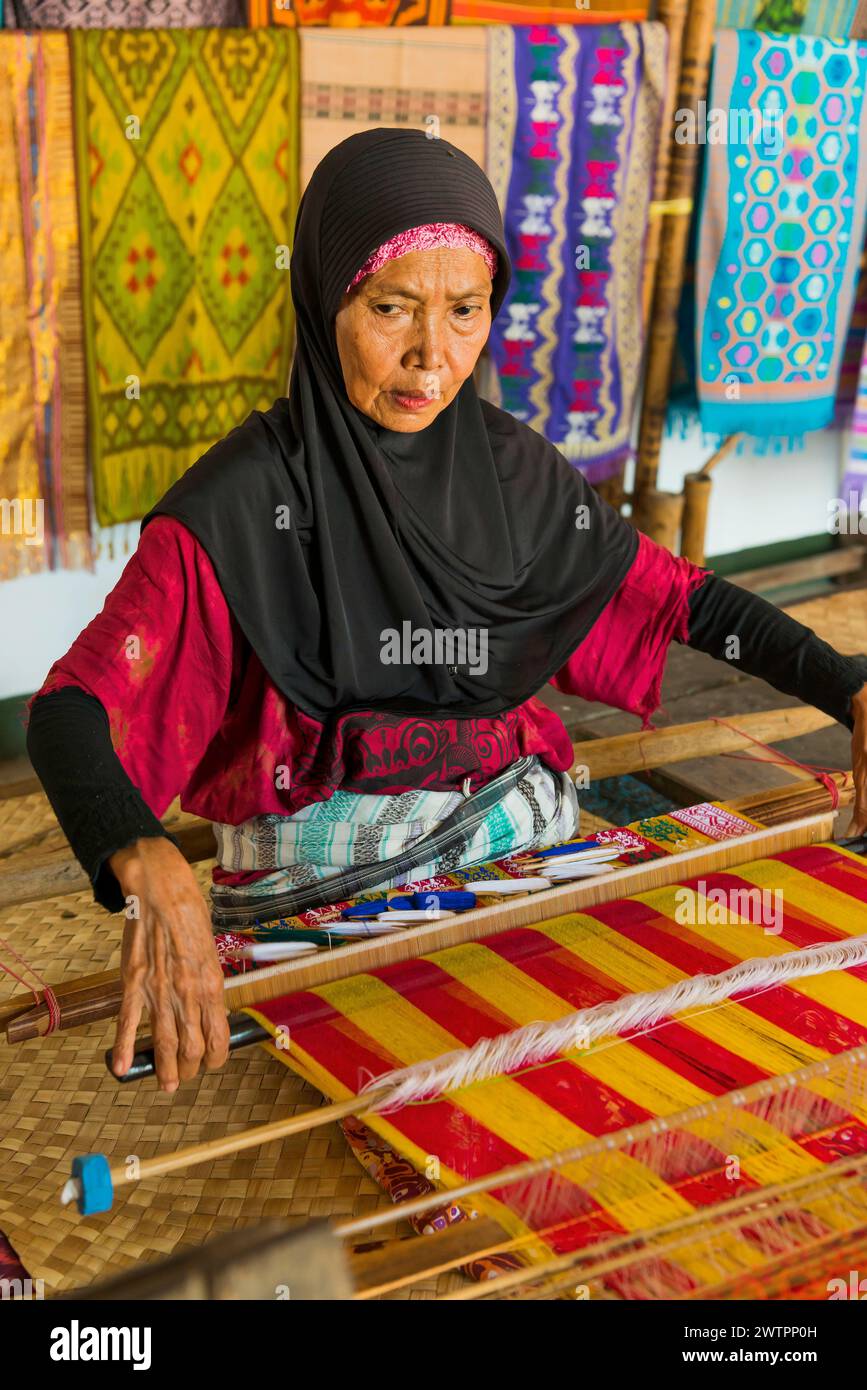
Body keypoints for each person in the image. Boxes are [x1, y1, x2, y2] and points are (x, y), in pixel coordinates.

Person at [27, 129, 867, 1095]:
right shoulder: (243, 507)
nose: (432, 358)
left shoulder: (511, 475)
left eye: (465, 312)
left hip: (524, 873)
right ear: (324, 300)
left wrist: (848, 689)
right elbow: (70, 709)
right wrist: (144, 861)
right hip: (325, 919)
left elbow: (685, 600)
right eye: (391, 309)